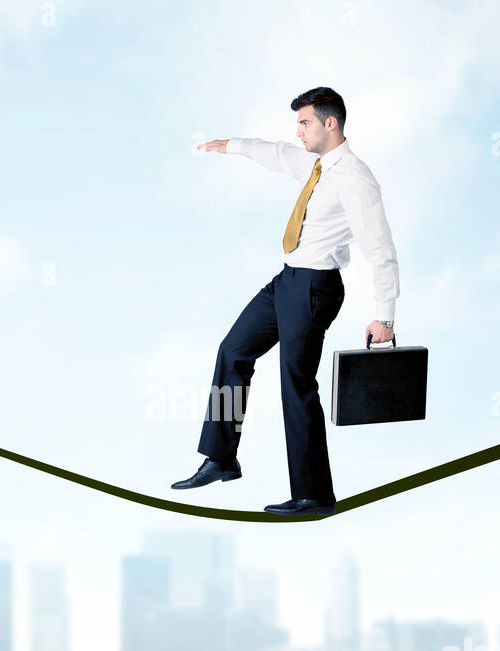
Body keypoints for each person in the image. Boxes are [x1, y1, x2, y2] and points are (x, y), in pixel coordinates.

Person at [171, 86, 401, 516]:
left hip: (316, 288)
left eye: (304, 122)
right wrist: (232, 146)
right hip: (287, 281)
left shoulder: (354, 178)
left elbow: (381, 248)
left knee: (296, 386)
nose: (297, 131)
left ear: (330, 123)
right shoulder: (316, 165)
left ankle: (314, 495)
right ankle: (221, 457)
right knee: (232, 351)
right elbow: (275, 153)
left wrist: (384, 316)